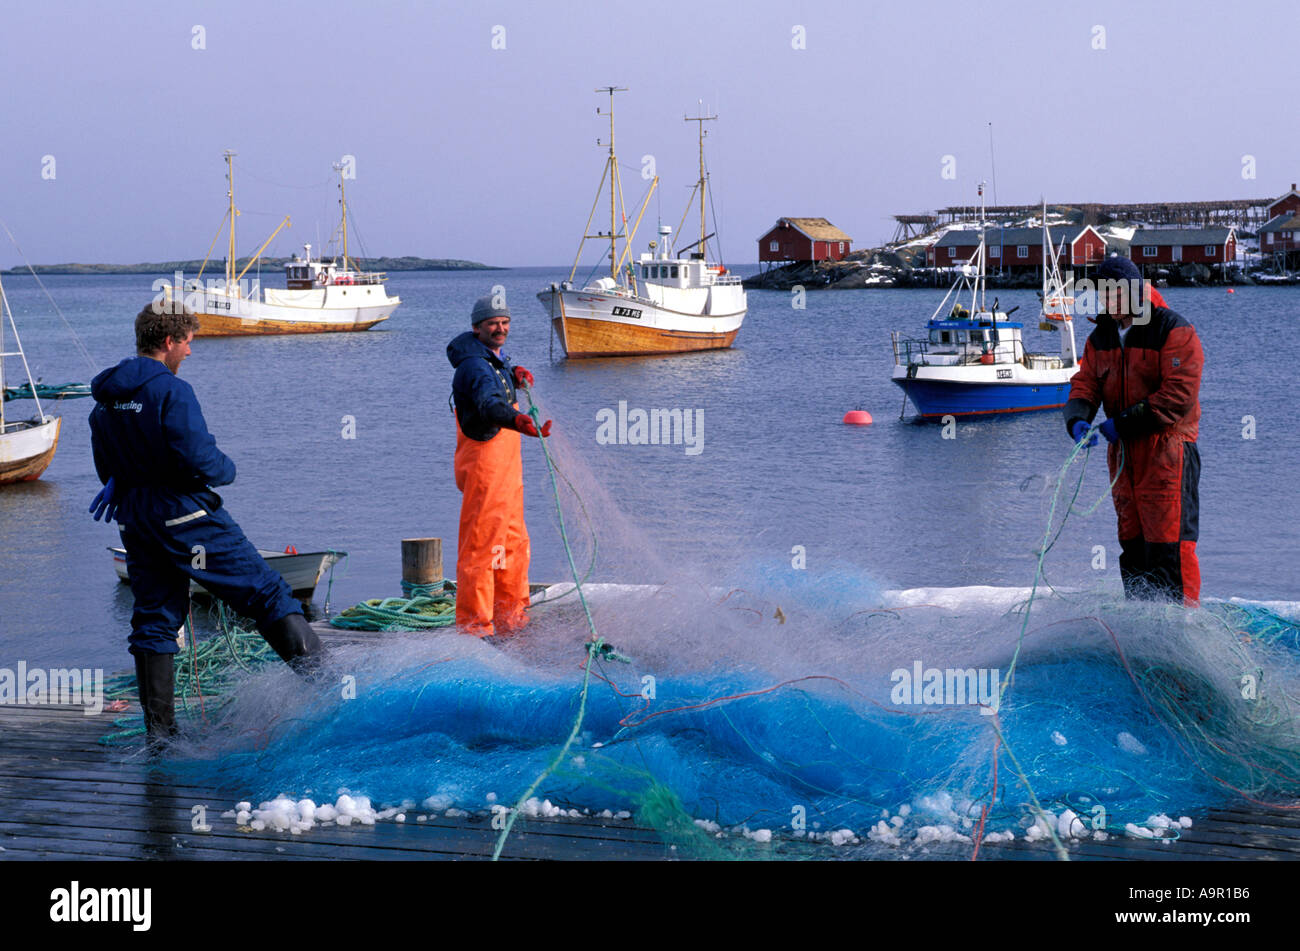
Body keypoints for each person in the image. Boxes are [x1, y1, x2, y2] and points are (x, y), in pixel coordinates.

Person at [88, 305, 325, 750]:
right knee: (267, 593)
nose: (191, 352)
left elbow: (107, 469)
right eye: (189, 342)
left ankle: (161, 736)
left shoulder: (105, 400)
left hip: (137, 522)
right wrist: (226, 468)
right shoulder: (171, 391)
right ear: (170, 342)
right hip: (187, 516)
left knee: (155, 620)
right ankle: (334, 693)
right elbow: (200, 458)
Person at [1064, 256, 1204, 606]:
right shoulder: (1101, 338)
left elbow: (1178, 397)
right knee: (1133, 543)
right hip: (1123, 456)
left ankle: (1183, 624)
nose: (1105, 303)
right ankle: (1141, 624)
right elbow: (1085, 384)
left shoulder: (1174, 329)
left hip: (1168, 452)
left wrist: (1121, 423)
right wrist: (1077, 418)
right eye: (1100, 295)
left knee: (1170, 545)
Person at [446, 294, 552, 637]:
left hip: (507, 475)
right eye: (492, 323)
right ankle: (475, 626)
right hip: (485, 469)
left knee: (512, 542)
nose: (500, 328)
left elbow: (497, 378)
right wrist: (518, 419)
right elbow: (489, 403)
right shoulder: (474, 367)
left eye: (505, 322)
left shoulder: (492, 360)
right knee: (482, 546)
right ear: (477, 327)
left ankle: (511, 617)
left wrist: (513, 371)